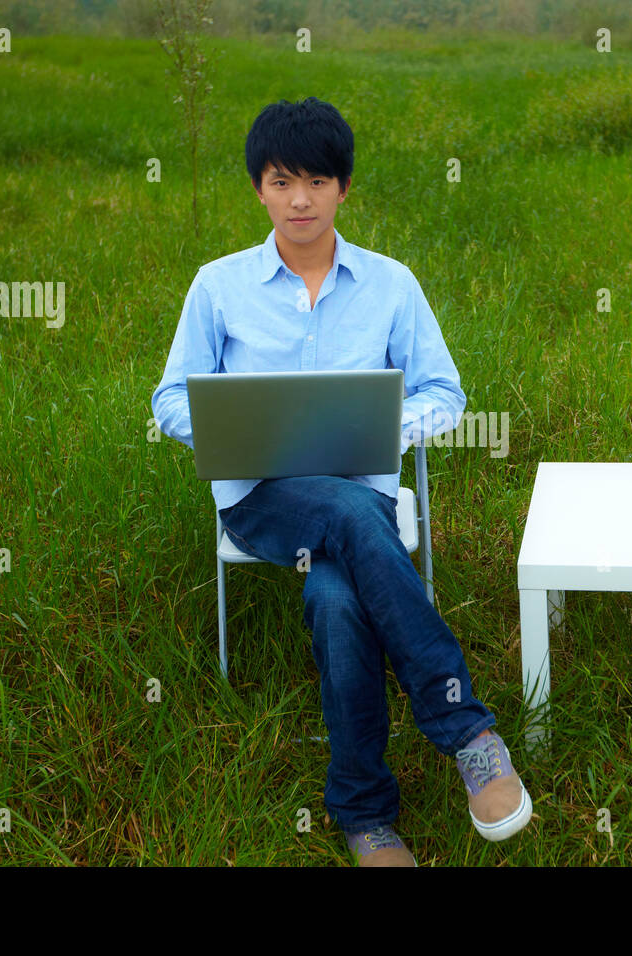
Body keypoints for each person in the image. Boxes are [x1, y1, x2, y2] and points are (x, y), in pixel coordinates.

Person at [150, 97, 532, 866]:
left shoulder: (391, 284)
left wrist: (376, 429)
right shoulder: (218, 287)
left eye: (317, 181)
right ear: (258, 187)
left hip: (359, 491)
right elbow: (168, 402)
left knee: (332, 593)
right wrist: (242, 430)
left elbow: (444, 394)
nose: (299, 199)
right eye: (282, 180)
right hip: (264, 500)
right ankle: (468, 734)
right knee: (359, 518)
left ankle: (364, 815)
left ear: (343, 189)